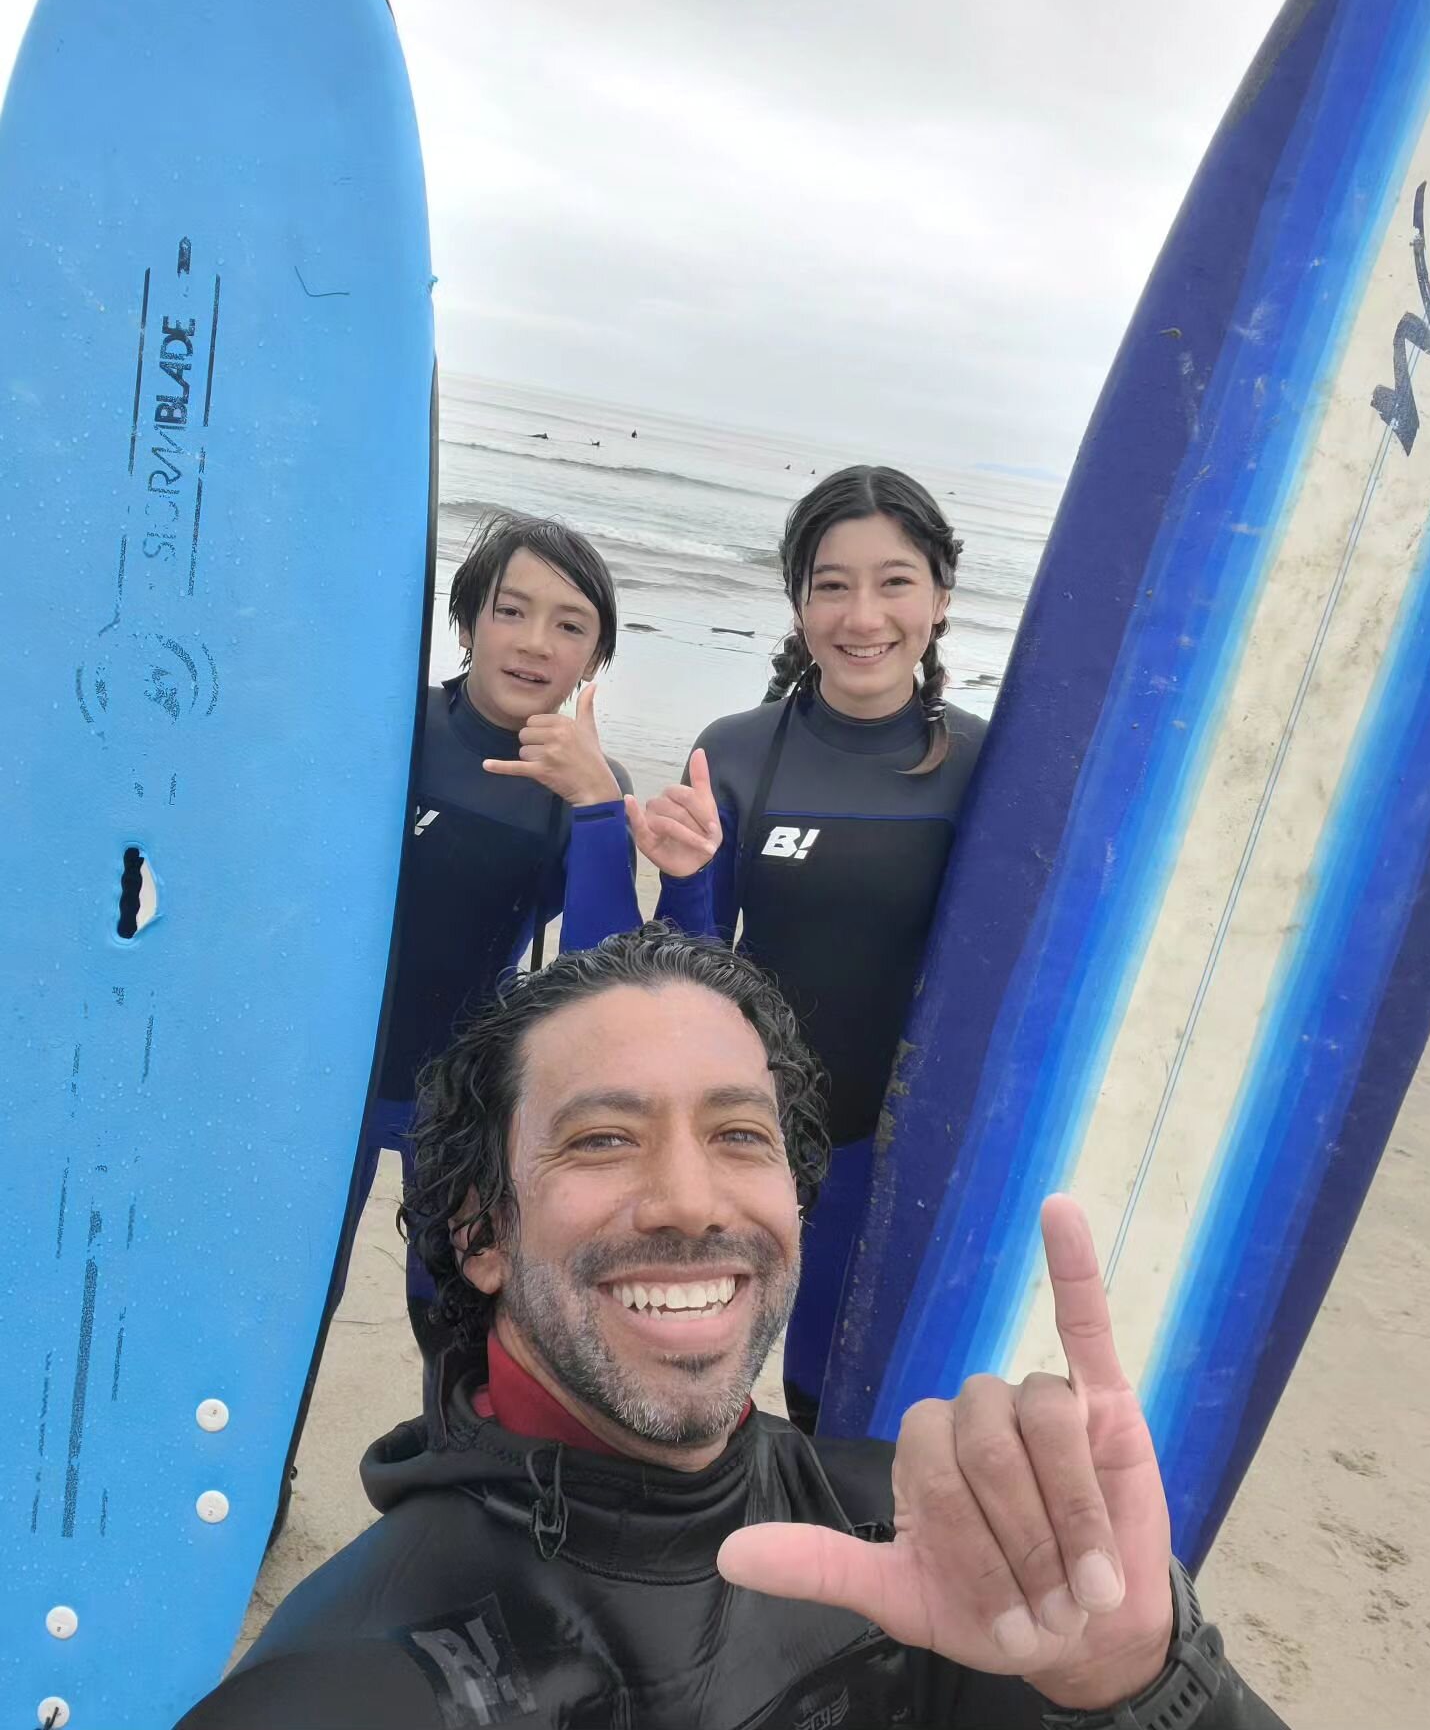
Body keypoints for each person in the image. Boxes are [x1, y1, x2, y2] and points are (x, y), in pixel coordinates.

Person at [179, 926, 1285, 1730]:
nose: (692, 1201)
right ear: (481, 1228)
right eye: (604, 1140)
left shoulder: (914, 1542)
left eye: (741, 1137)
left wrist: (1144, 1678)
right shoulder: (364, 1681)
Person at [626, 465, 985, 1430]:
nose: (862, 614)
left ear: (942, 597)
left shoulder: (993, 766)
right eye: (832, 583)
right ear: (797, 602)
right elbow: (689, 972)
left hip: (893, 1148)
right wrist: (685, 875)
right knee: (699, 1368)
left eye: (895, 580)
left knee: (833, 1386)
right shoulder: (736, 752)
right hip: (746, 1134)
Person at [344, 507, 638, 1360]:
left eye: (569, 624)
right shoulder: (391, 729)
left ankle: (457, 1480)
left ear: (595, 658)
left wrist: (596, 809)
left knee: (457, 1323)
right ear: (468, 620)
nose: (535, 641)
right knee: (292, 1295)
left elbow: (603, 974)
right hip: (328, 1083)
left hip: (460, 1095)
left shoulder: (588, 785)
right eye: (511, 609)